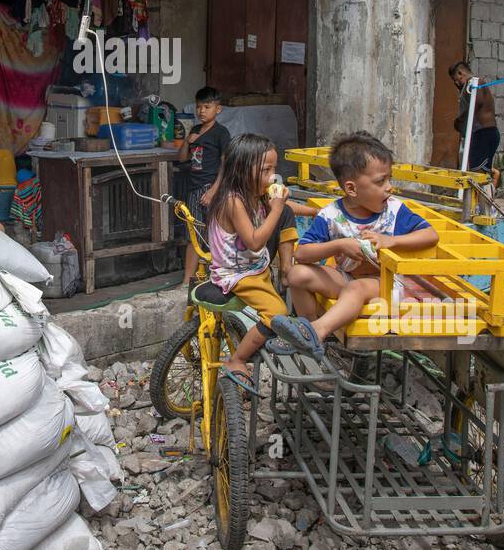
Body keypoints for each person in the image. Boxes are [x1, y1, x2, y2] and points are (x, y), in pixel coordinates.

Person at [272, 132, 438, 356]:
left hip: (387, 284)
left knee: (356, 288)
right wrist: (339, 245)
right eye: (381, 181)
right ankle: (309, 330)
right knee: (297, 275)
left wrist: (391, 240)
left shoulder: (393, 210)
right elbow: (301, 254)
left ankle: (316, 332)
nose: (389, 187)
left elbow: (430, 234)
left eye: (389, 179)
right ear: (351, 189)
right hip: (347, 278)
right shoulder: (331, 215)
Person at [200, 133, 297, 384]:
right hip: (237, 273)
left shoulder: (255, 192)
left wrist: (322, 210)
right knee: (278, 313)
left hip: (254, 266)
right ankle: (237, 359)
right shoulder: (233, 200)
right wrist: (276, 209)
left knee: (285, 215)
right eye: (266, 169)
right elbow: (254, 240)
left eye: (275, 169)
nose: (273, 176)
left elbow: (288, 209)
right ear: (243, 170)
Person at [176, 85, 231, 286]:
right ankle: (186, 281)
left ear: (218, 109)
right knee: (194, 235)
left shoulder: (221, 133)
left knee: (217, 234)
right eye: (199, 107)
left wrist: (213, 190)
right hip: (193, 188)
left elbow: (226, 165)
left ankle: (220, 278)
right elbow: (182, 159)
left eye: (207, 107)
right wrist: (186, 142)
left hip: (212, 188)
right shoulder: (195, 130)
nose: (201, 111)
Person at [449, 61, 500, 172]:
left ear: (460, 73)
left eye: (457, 79)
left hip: (483, 133)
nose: (457, 83)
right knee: (482, 172)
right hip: (482, 133)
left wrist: (460, 119)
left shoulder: (475, 83)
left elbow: (477, 102)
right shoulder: (469, 86)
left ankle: (480, 189)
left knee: (477, 174)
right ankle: (485, 189)